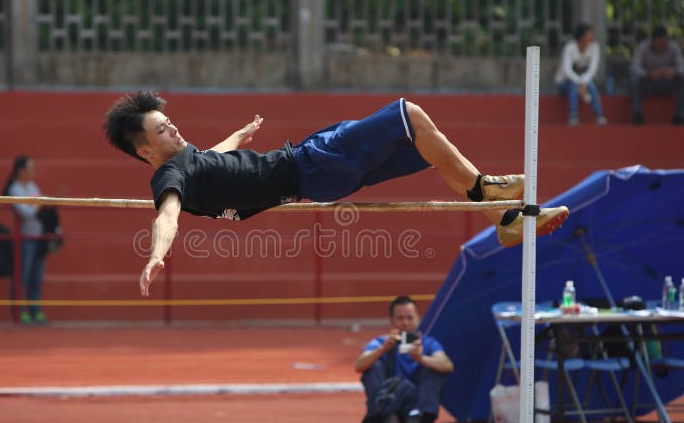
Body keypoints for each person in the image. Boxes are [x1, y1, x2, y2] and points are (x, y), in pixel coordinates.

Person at [103, 92, 569, 296]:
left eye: (170, 121)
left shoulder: (188, 163)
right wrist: (156, 256)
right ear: (145, 150)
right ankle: (485, 191)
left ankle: (500, 218)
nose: (174, 129)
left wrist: (238, 137)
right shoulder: (170, 179)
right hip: (311, 165)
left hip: (312, 165)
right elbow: (167, 215)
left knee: (422, 141)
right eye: (163, 130)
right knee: (407, 112)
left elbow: (210, 156)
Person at [354, 296, 453, 423]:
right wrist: (383, 349)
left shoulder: (428, 343)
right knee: (373, 366)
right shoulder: (381, 342)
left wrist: (420, 358)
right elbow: (359, 365)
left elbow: (447, 365)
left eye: (410, 318)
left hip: (418, 408)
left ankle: (416, 415)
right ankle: (388, 414)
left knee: (436, 370)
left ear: (418, 319)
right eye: (400, 318)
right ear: (391, 321)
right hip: (385, 407)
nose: (405, 323)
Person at [3, 156, 49, 325]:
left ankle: (35, 311)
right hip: (24, 239)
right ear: (20, 170)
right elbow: (26, 213)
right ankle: (19, 311)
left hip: (38, 236)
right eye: (30, 168)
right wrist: (36, 204)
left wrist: (35, 204)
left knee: (36, 277)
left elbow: (40, 204)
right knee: (22, 275)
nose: (33, 172)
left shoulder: (32, 186)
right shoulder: (14, 189)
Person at [554, 23, 607, 126]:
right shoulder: (570, 48)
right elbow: (567, 70)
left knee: (591, 85)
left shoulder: (594, 47)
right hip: (565, 83)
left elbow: (593, 69)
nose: (591, 38)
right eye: (588, 36)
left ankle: (599, 115)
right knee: (574, 85)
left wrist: (582, 82)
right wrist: (580, 83)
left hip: (585, 83)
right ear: (581, 37)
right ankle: (573, 116)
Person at [630, 26, 684, 125]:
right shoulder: (643, 47)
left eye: (663, 41)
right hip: (649, 82)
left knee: (682, 80)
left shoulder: (674, 48)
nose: (661, 44)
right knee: (634, 80)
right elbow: (634, 67)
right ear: (653, 40)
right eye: (658, 41)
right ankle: (638, 115)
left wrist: (673, 72)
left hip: (669, 82)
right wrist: (649, 73)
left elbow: (681, 67)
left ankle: (679, 117)